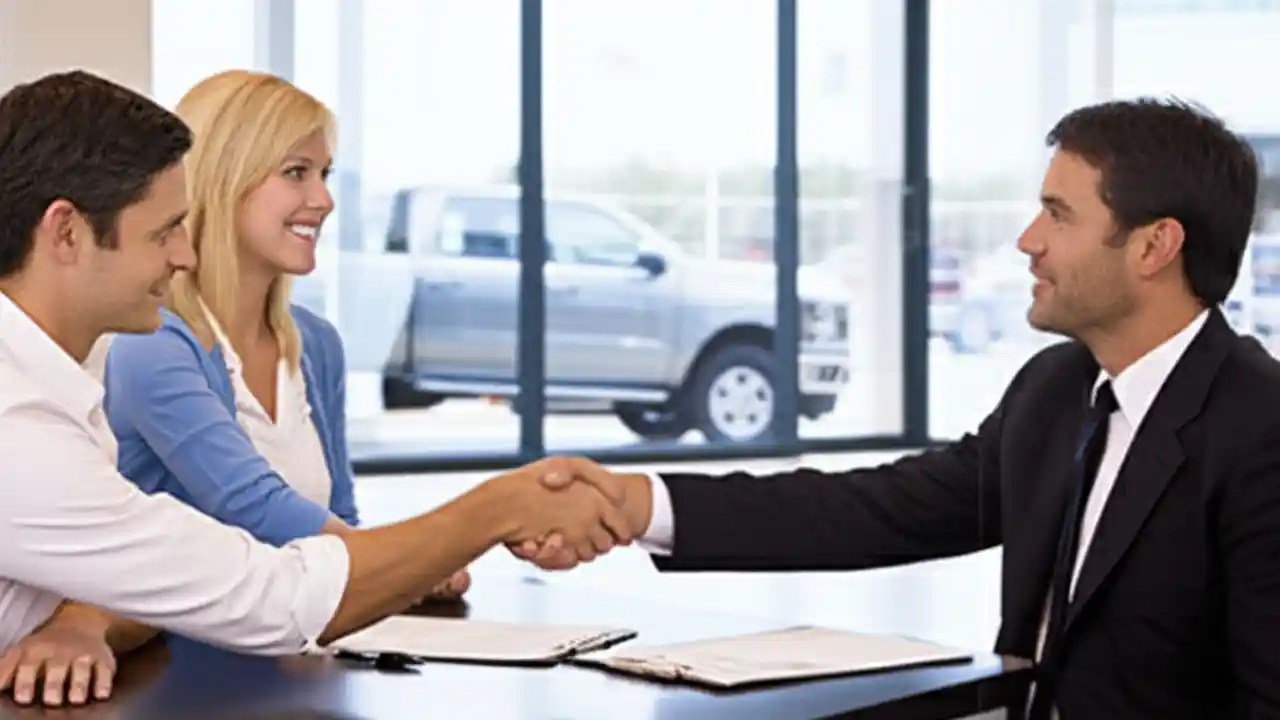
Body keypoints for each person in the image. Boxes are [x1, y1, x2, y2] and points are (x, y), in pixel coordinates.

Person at [525, 99, 1280, 718]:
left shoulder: (1261, 427)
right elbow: (876, 509)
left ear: (1154, 247)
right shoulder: (1055, 390)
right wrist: (637, 505)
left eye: (1058, 215)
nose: (1027, 241)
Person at [0, 70, 625, 707]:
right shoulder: (22, 428)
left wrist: (82, 616)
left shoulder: (55, 394)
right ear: (67, 232)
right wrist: (497, 509)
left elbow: (139, 575)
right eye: (164, 232)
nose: (184, 255)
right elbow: (273, 595)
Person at [102, 69, 468, 602]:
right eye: (296, 172)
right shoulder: (154, 345)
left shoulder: (316, 344)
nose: (323, 199)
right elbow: (254, 507)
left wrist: (392, 571)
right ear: (226, 178)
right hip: (173, 662)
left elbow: (337, 516)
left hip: (293, 648)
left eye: (325, 173)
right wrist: (411, 561)